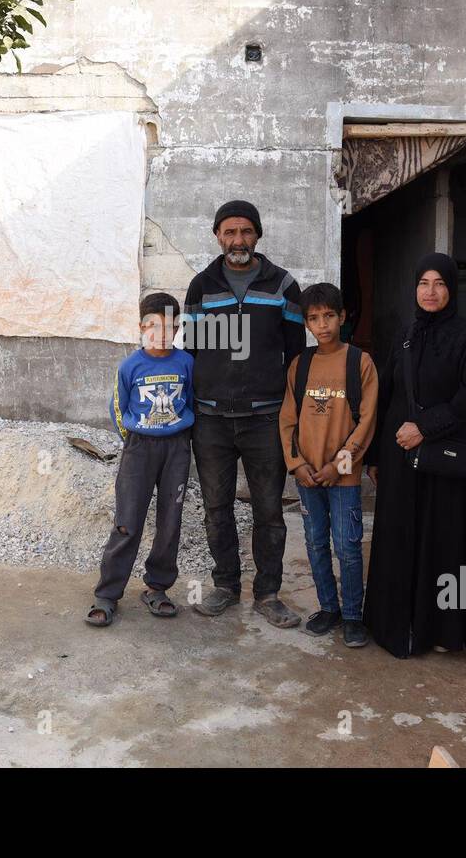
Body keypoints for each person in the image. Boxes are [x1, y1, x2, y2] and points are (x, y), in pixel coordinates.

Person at [184, 200, 306, 628]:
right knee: (216, 507)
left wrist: (294, 417)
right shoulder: (202, 286)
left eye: (246, 232)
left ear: (258, 235)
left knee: (269, 510)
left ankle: (269, 593)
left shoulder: (283, 285)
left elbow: (296, 355)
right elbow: (193, 351)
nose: (238, 240)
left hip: (265, 418)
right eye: (229, 232)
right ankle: (225, 586)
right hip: (211, 420)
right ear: (217, 235)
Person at [363, 253, 466, 658]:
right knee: (398, 535)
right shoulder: (406, 334)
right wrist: (375, 457)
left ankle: (440, 630)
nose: (430, 292)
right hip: (400, 454)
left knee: (443, 538)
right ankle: (395, 625)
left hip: (444, 456)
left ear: (451, 289)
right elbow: (389, 395)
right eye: (423, 283)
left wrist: (425, 428)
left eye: (439, 283)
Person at [86, 292, 194, 627]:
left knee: (170, 520)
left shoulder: (186, 363)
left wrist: (178, 434)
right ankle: (107, 593)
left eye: (170, 326)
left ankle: (156, 587)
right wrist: (134, 439)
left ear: (178, 327)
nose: (162, 333)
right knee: (127, 520)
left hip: (176, 448)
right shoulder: (130, 366)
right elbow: (118, 408)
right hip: (139, 449)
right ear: (141, 327)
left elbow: (192, 399)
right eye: (154, 326)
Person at [279, 282, 378, 646]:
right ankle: (328, 608)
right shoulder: (300, 365)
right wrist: (297, 464)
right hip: (307, 477)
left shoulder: (359, 362)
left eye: (329, 316)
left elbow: (367, 420)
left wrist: (340, 465)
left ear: (342, 317)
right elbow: (287, 420)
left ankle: (352, 615)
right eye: (314, 318)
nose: (323, 325)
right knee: (315, 543)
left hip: (344, 479)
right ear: (306, 323)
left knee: (348, 546)